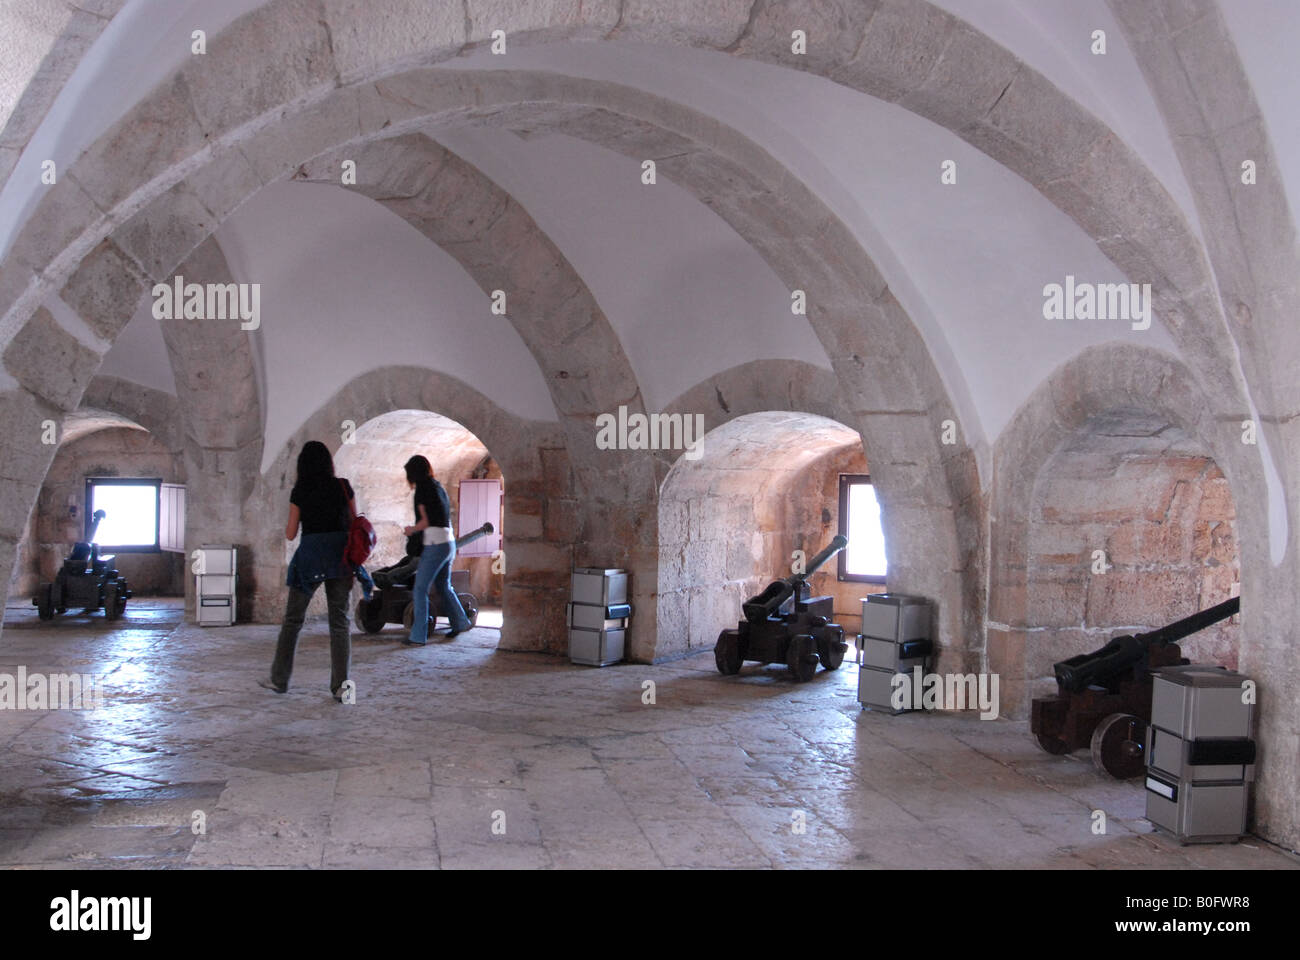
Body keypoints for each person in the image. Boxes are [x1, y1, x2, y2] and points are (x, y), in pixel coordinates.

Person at [259, 440, 355, 700]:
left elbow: (290, 534)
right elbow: (353, 522)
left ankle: (279, 679)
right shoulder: (343, 486)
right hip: (340, 558)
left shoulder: (300, 490)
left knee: (292, 621)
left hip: (311, 558)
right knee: (339, 623)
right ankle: (341, 688)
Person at [402, 455, 472, 645]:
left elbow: (425, 521)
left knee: (419, 589)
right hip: (448, 542)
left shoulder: (422, 489)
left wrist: (411, 530)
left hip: (435, 544)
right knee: (443, 585)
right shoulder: (438, 487)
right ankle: (460, 622)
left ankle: (418, 636)